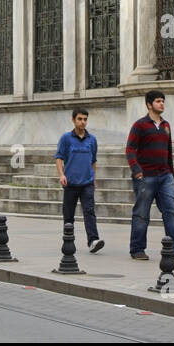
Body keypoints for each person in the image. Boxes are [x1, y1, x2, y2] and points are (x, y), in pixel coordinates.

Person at [125, 90, 174, 260]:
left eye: (163, 101)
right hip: (145, 176)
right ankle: (137, 249)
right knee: (141, 213)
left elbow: (168, 152)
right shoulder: (140, 125)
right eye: (158, 101)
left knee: (171, 210)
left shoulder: (166, 125)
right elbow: (130, 149)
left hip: (165, 176)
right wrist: (136, 170)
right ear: (149, 104)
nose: (162, 104)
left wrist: (171, 174)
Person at [54, 108, 103, 253]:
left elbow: (93, 160)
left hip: (87, 183)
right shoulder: (66, 138)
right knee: (68, 213)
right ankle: (68, 240)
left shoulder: (92, 140)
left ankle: (93, 240)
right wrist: (61, 175)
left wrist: (93, 177)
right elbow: (59, 158)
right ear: (73, 120)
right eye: (80, 119)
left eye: (85, 119)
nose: (83, 122)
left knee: (89, 211)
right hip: (70, 183)